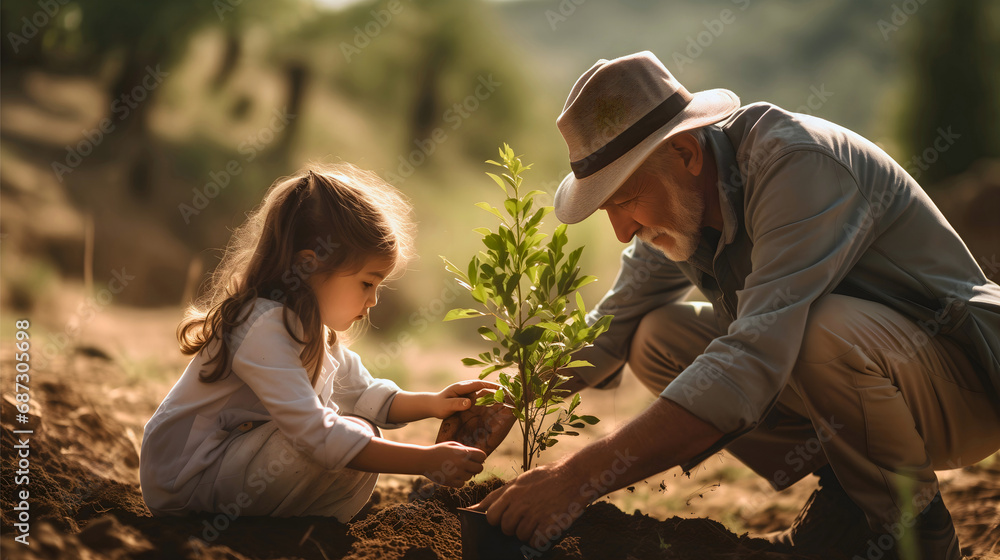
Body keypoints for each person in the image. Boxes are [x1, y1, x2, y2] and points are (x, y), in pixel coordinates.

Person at [472, 51, 1000, 558]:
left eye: (625, 199)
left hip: (967, 383)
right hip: (875, 386)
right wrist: (509, 396)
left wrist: (576, 478)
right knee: (657, 335)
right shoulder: (681, 204)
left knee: (821, 332)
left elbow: (752, 358)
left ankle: (918, 542)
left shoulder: (797, 167)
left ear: (685, 152)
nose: (621, 231)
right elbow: (610, 328)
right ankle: (847, 505)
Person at [140, 165, 491, 521]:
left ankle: (287, 534)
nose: (372, 301)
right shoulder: (261, 326)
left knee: (360, 433)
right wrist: (423, 461)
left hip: (230, 464)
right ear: (309, 266)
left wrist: (436, 403)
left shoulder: (314, 330)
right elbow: (313, 432)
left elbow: (365, 394)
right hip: (187, 480)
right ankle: (267, 530)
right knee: (346, 439)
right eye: (367, 283)